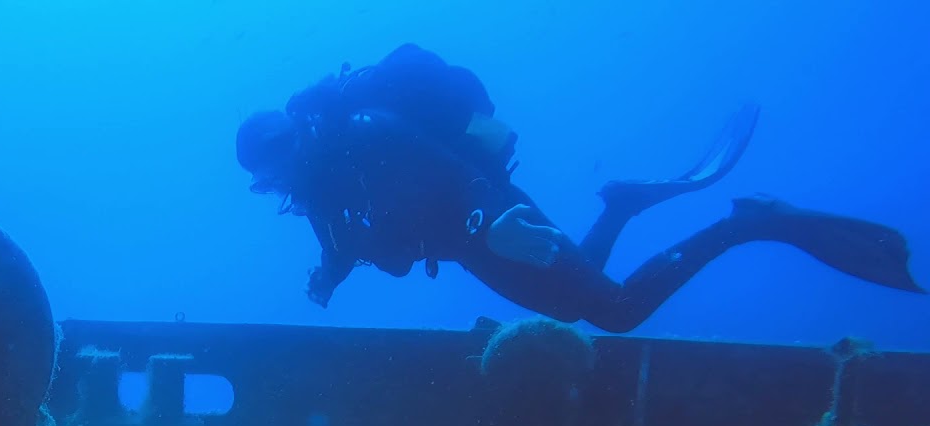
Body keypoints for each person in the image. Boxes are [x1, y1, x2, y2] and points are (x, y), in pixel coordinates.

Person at [235, 43, 925, 333]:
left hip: (492, 219)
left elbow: (449, 175)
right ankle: (620, 205)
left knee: (614, 312)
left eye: (276, 167)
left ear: (296, 138)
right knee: (578, 302)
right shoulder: (319, 182)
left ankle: (750, 223)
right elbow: (338, 237)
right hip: (471, 240)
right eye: (267, 179)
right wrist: (328, 276)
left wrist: (487, 225)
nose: (277, 183)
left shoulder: (367, 130)